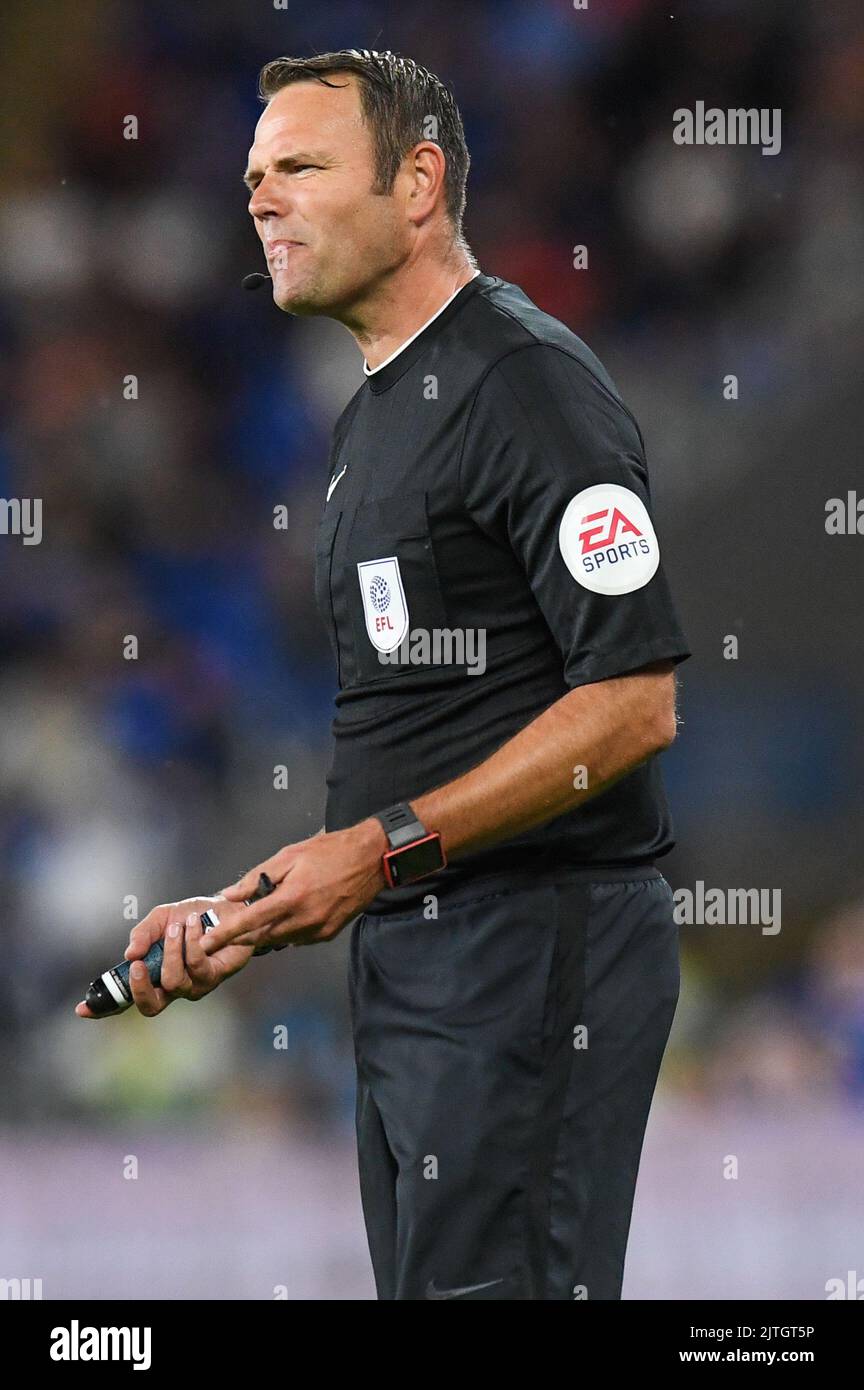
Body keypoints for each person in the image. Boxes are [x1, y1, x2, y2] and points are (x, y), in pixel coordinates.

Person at [77, 48, 690, 1301]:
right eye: (252, 174)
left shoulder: (529, 386)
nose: (259, 196)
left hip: (532, 958)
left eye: (299, 165)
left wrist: (384, 850)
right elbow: (419, 742)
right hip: (419, 959)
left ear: (418, 185)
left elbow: (635, 703)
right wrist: (244, 907)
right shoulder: (370, 419)